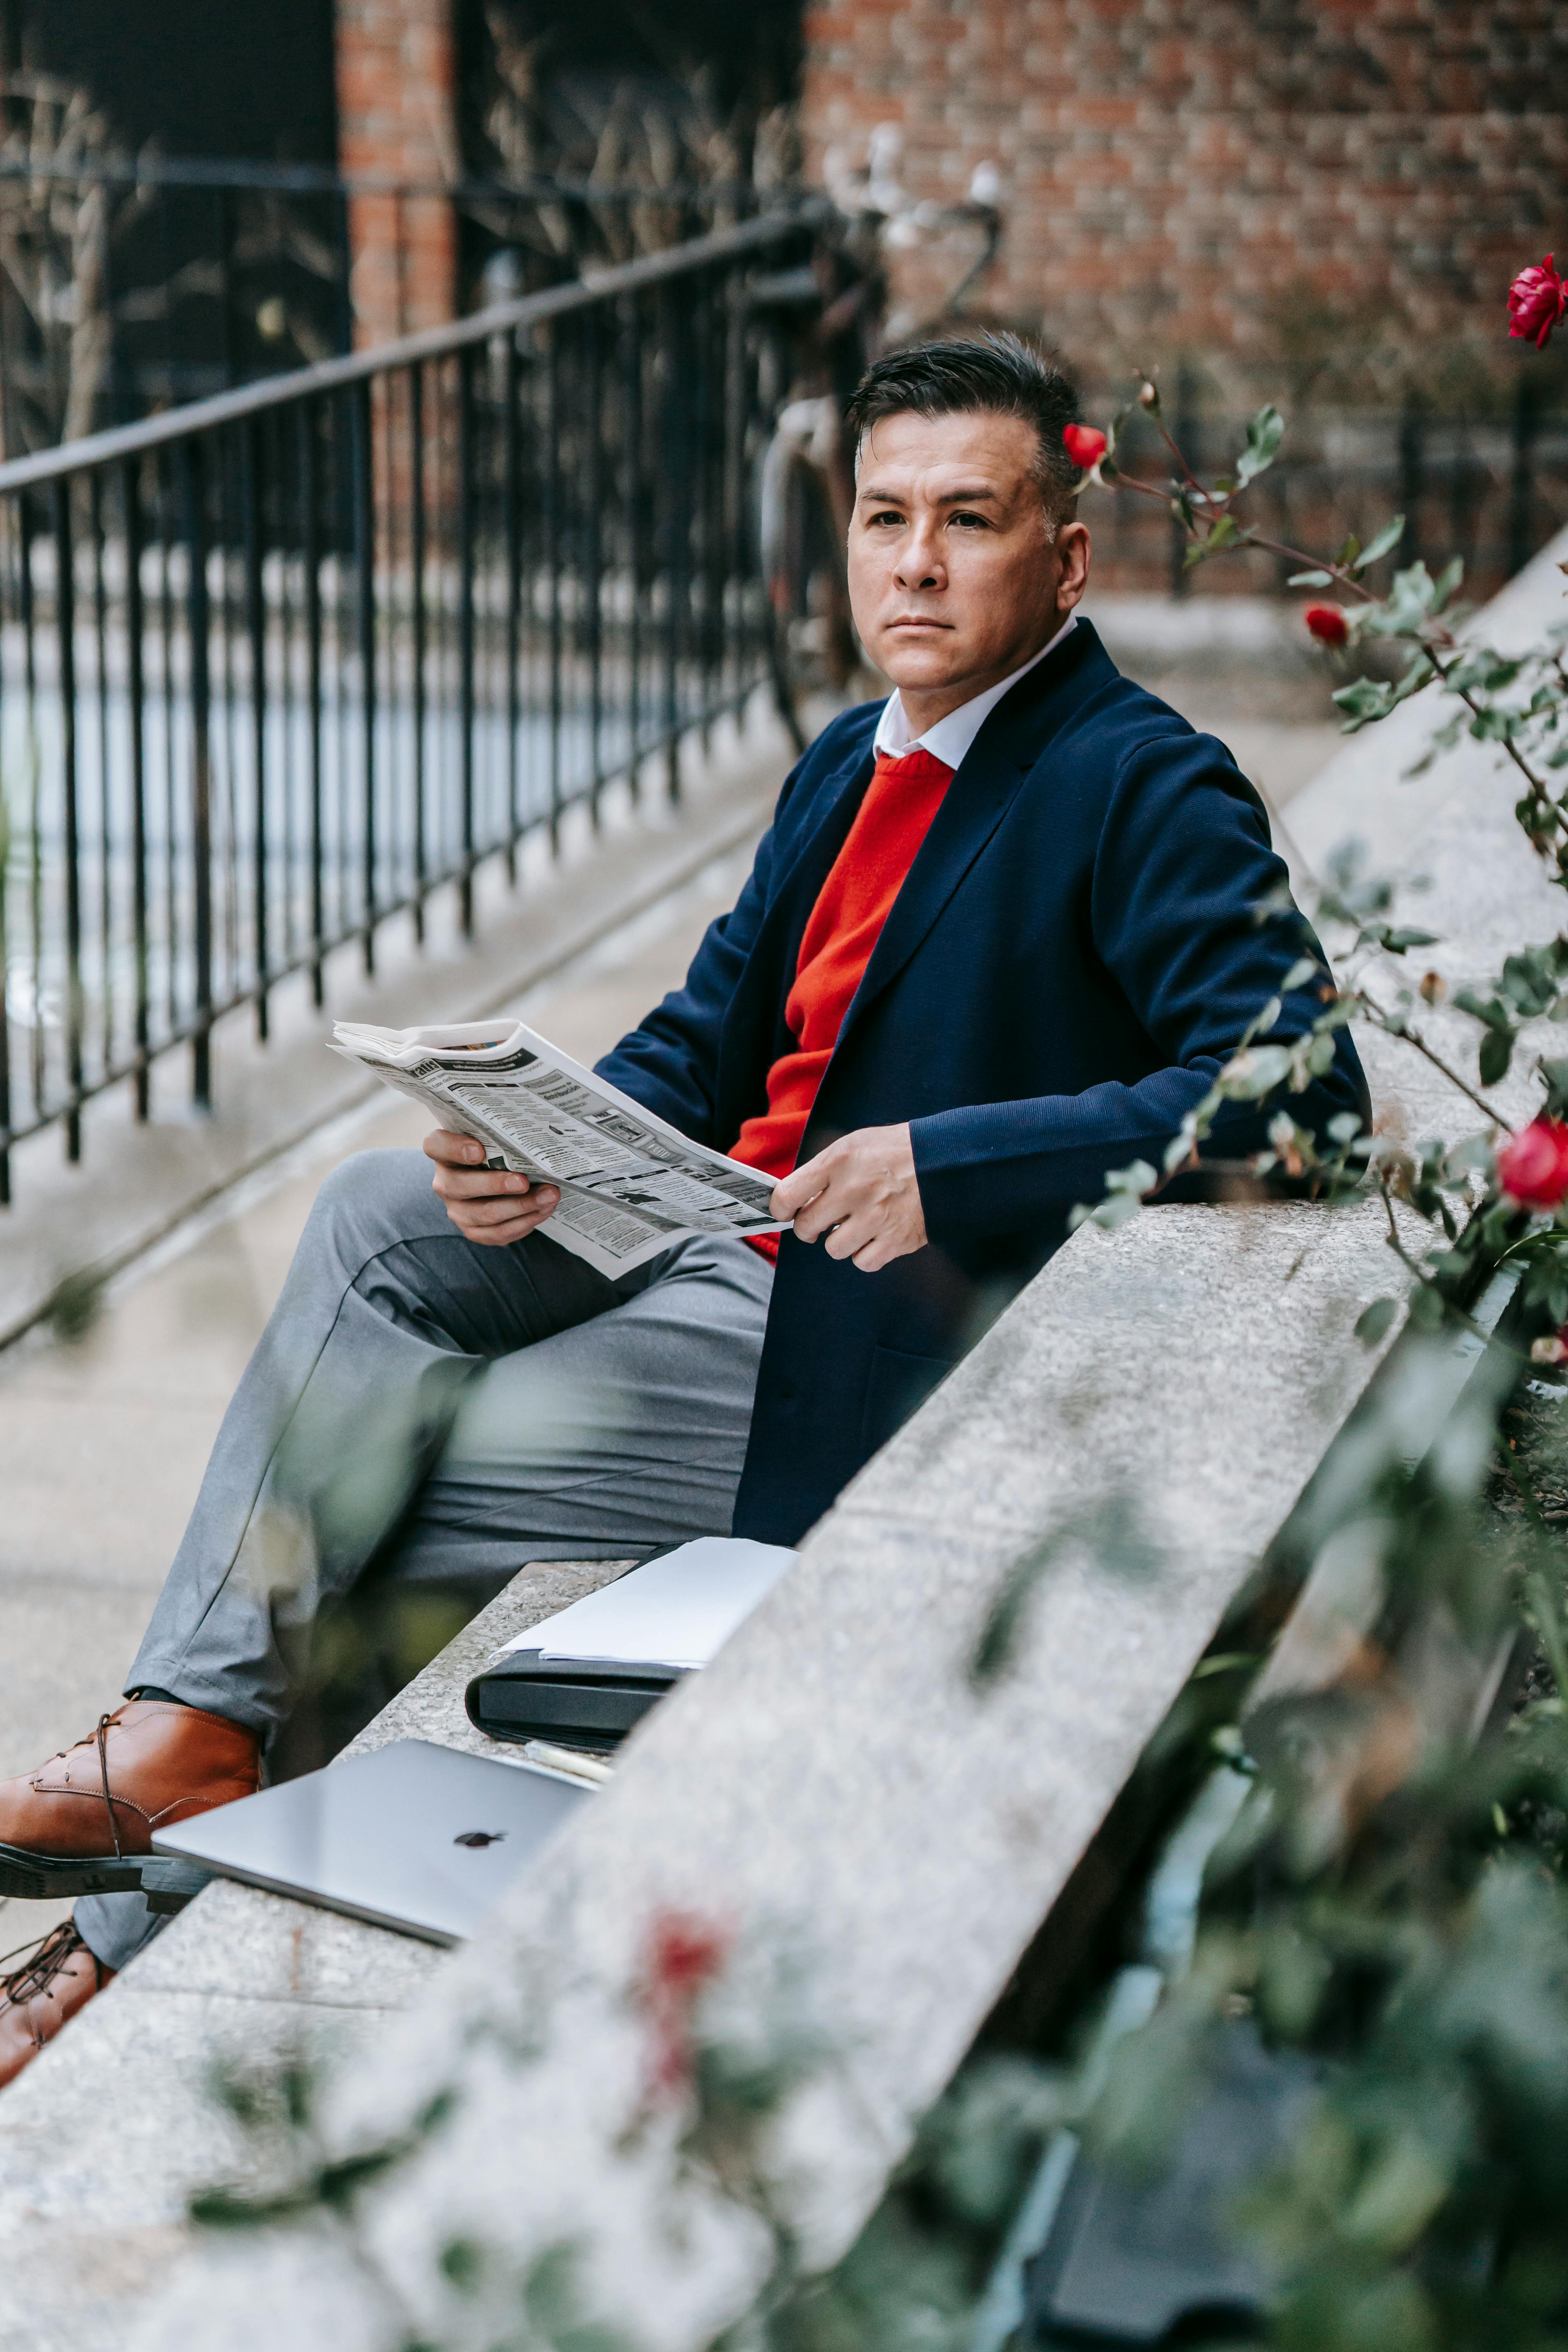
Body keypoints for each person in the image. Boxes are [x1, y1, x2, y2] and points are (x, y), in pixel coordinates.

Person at [0, 334, 1368, 2083]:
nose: (916, 562)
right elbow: (702, 1035)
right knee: (369, 1208)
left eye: (968, 518)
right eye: (884, 518)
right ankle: (186, 1730)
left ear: (1066, 555)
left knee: (358, 1516)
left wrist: (948, 1159)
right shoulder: (839, 762)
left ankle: (105, 1951)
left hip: (856, 1331)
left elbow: (1289, 1083)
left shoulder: (1132, 779)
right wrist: (540, 1137)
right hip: (708, 1239)